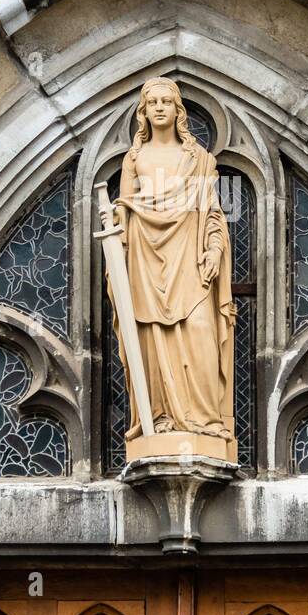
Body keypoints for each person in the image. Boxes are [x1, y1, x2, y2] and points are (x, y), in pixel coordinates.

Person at [110, 76, 235, 441]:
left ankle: (206, 422)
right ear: (144, 113)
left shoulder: (198, 160)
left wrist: (214, 249)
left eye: (167, 101)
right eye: (153, 103)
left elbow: (212, 211)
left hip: (190, 258)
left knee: (200, 330)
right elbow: (124, 208)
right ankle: (159, 418)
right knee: (151, 338)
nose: (160, 107)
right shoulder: (134, 159)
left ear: (178, 110)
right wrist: (116, 224)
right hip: (145, 260)